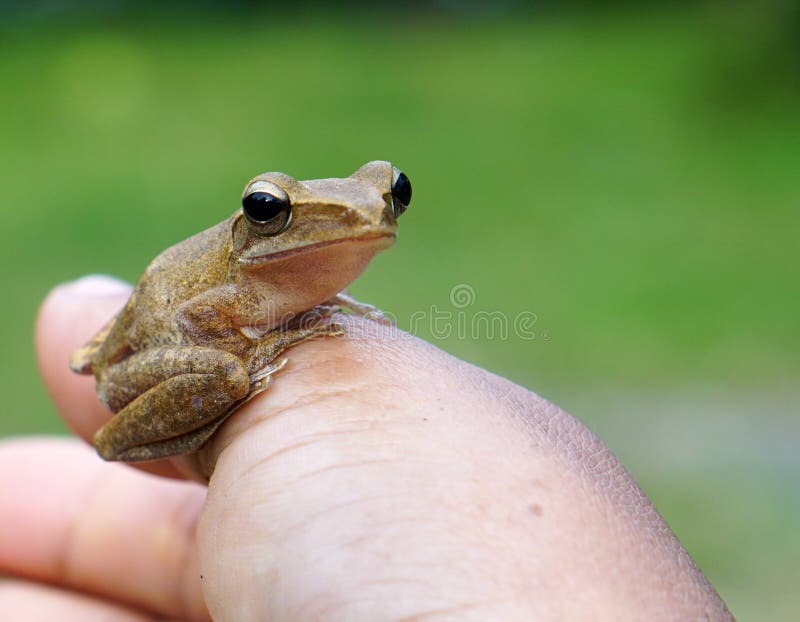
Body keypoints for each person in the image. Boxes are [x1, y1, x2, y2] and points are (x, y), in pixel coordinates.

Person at [0, 276, 733, 620]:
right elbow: (198, 319)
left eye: (391, 197)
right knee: (229, 373)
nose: (375, 216)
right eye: (269, 210)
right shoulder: (239, 279)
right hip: (155, 348)